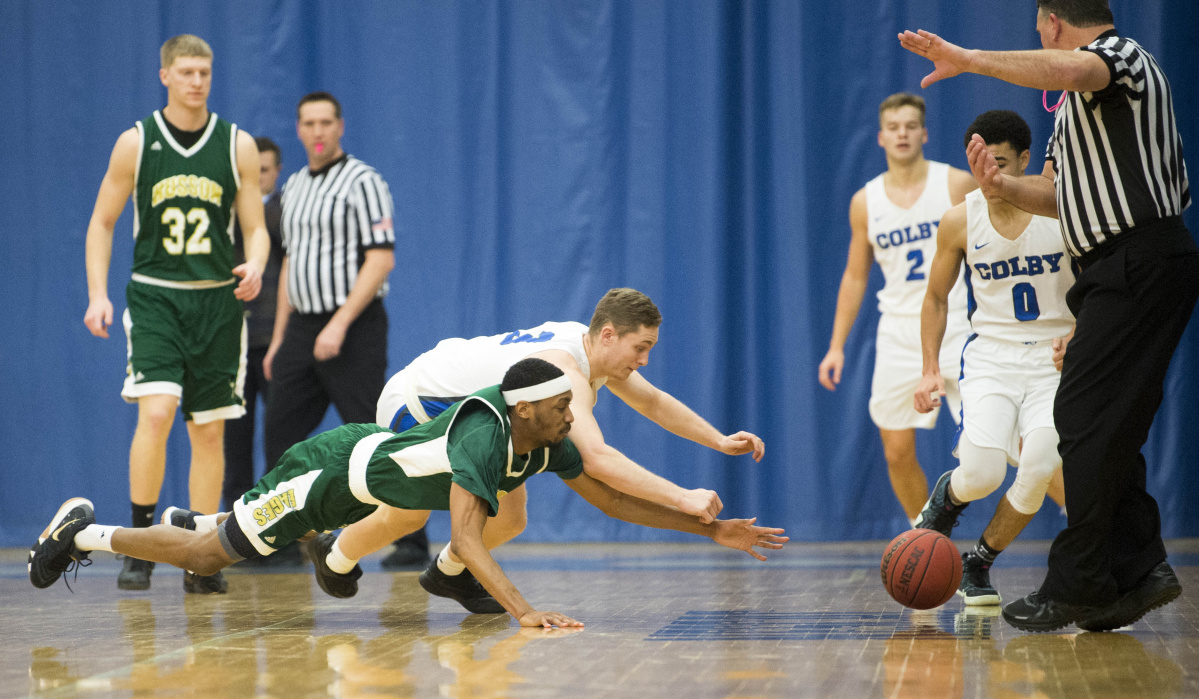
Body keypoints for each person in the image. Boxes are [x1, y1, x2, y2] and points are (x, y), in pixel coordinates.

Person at [28, 359, 788, 629]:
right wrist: (524, 611)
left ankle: (196, 519)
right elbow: (464, 539)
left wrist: (709, 531)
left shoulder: (545, 437)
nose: (573, 417)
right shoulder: (485, 434)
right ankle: (83, 531)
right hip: (326, 477)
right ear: (527, 408)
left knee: (224, 535)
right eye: (564, 407)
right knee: (208, 556)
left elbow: (612, 501)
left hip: (355, 485)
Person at [900, 0, 1196, 632]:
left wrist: (969, 59)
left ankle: (1077, 584)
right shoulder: (1072, 121)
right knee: (1101, 429)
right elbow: (1062, 195)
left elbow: (1071, 69)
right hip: (1100, 283)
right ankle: (1137, 572)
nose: (1040, 42)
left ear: (1054, 24)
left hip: (1136, 257)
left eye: (1039, 32)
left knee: (1076, 436)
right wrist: (1002, 189)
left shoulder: (1120, 59)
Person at [362, 288, 766, 610]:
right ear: (608, 334)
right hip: (417, 403)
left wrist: (718, 439)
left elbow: (653, 402)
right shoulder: (565, 372)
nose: (645, 360)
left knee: (511, 519)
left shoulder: (587, 343)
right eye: (640, 347)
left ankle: (445, 572)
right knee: (406, 516)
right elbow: (598, 459)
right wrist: (682, 497)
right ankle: (339, 554)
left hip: (458, 394)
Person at [82, 34, 270, 593]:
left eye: (204, 72)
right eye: (186, 72)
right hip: (157, 294)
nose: (197, 81)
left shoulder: (237, 144)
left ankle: (198, 557)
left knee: (208, 431)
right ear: (165, 75)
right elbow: (102, 222)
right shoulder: (136, 142)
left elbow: (256, 227)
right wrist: (98, 293)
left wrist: (257, 263)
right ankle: (141, 546)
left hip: (217, 300)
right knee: (158, 412)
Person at [913, 111, 1075, 606]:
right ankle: (948, 498)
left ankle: (978, 561)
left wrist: (1080, 331)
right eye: (978, 165)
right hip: (992, 358)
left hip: (1055, 359)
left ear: (1025, 160)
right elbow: (936, 298)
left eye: (998, 164)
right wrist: (929, 369)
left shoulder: (1064, 210)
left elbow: (1102, 284)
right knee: (983, 475)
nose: (987, 176)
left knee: (1040, 466)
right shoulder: (960, 219)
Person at [818, 93, 978, 526]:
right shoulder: (865, 201)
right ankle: (924, 536)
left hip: (957, 324)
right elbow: (855, 277)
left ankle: (1083, 522)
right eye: (893, 127)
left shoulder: (956, 184)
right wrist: (836, 346)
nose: (902, 134)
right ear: (881, 137)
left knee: (1009, 446)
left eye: (910, 126)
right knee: (896, 450)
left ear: (924, 133)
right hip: (898, 331)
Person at [262, 91, 395, 506]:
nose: (317, 132)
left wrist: (339, 324)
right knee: (280, 434)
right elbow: (290, 264)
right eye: (309, 124)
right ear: (299, 130)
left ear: (340, 127)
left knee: (372, 433)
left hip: (354, 327)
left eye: (325, 123)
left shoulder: (363, 181)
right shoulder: (294, 187)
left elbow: (381, 259)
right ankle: (279, 531)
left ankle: (406, 535)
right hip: (302, 327)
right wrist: (280, 339)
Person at [222, 137, 285, 513]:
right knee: (234, 442)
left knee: (280, 439)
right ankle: (233, 525)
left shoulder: (285, 212)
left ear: (277, 172)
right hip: (234, 341)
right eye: (250, 170)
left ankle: (278, 520)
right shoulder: (225, 216)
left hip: (276, 340)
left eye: (264, 170)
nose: (257, 177)